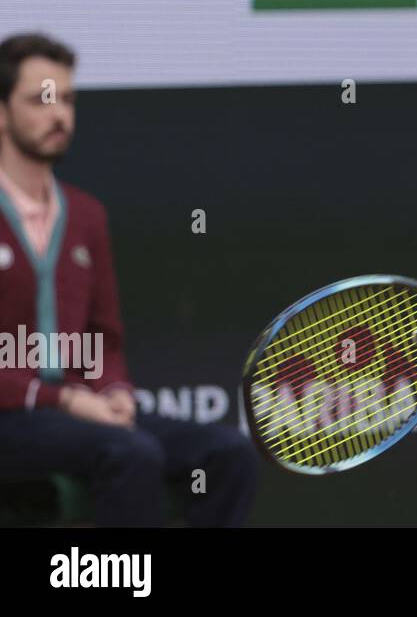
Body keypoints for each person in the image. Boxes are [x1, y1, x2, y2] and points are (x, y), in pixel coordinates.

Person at [0, 32, 258, 525]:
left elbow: (104, 339)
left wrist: (113, 389)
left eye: (69, 100)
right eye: (42, 100)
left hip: (77, 413)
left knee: (227, 455)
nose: (60, 115)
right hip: (12, 417)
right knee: (130, 453)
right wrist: (63, 399)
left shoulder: (86, 215)